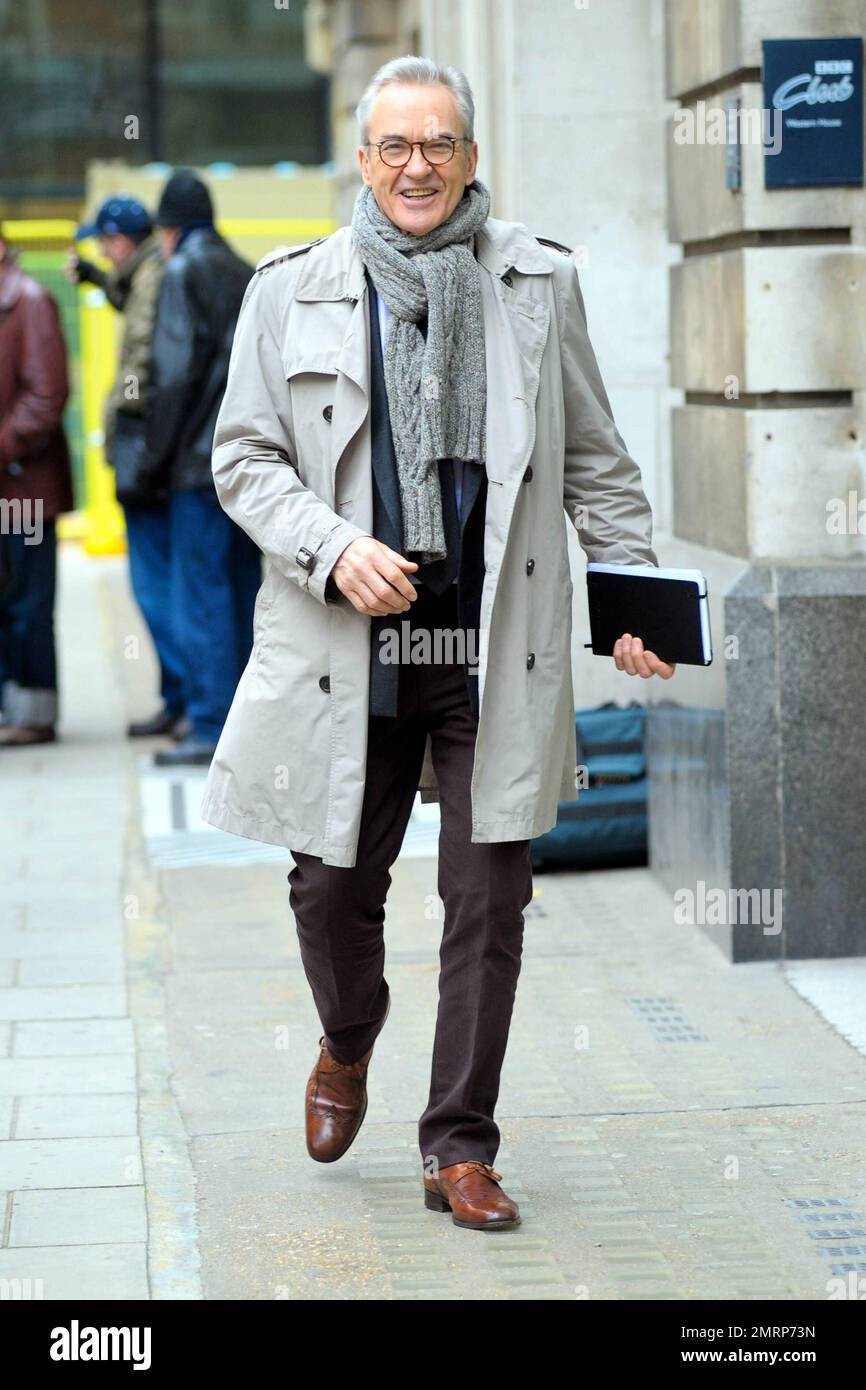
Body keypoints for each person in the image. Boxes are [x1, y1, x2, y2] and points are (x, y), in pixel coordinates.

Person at [199, 56, 676, 1231]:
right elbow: (242, 461)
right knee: (328, 889)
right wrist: (327, 546)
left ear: (469, 157)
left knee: (487, 894)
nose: (418, 166)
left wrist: (637, 604)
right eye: (395, 147)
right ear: (364, 161)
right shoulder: (291, 288)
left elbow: (595, 462)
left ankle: (457, 1143)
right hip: (343, 641)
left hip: (487, 641)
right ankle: (346, 1038)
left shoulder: (535, 283)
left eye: (440, 144)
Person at [142, 170, 261, 767]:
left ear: (169, 229)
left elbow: (172, 377)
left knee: (201, 597)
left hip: (195, 467)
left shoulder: (181, 271)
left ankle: (211, 725)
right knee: (243, 593)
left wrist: (151, 460)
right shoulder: (242, 269)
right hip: (247, 464)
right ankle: (246, 721)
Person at [67, 194, 189, 741]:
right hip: (159, 451)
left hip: (148, 450)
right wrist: (98, 278)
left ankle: (186, 698)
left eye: (105, 244)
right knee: (158, 581)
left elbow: (140, 353)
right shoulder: (146, 272)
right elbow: (129, 300)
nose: (103, 252)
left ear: (121, 240)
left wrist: (122, 416)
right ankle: (178, 698)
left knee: (155, 583)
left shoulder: (152, 276)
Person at [0, 231, 73, 747]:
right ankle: (15, 707)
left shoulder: (27, 300)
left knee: (26, 602)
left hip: (24, 490)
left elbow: (47, 396)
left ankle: (34, 714)